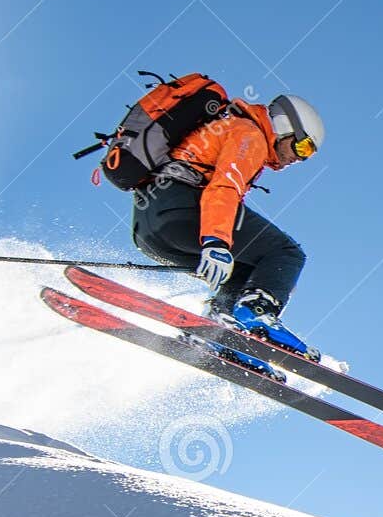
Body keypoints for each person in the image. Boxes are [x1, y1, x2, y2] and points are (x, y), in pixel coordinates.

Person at [131, 93, 325, 355]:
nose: (299, 159)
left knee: (246, 267)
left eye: (307, 156)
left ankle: (217, 327)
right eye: (302, 148)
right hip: (182, 212)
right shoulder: (250, 134)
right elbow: (224, 189)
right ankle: (258, 313)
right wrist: (216, 241)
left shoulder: (233, 127)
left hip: (150, 230)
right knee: (286, 253)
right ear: (284, 127)